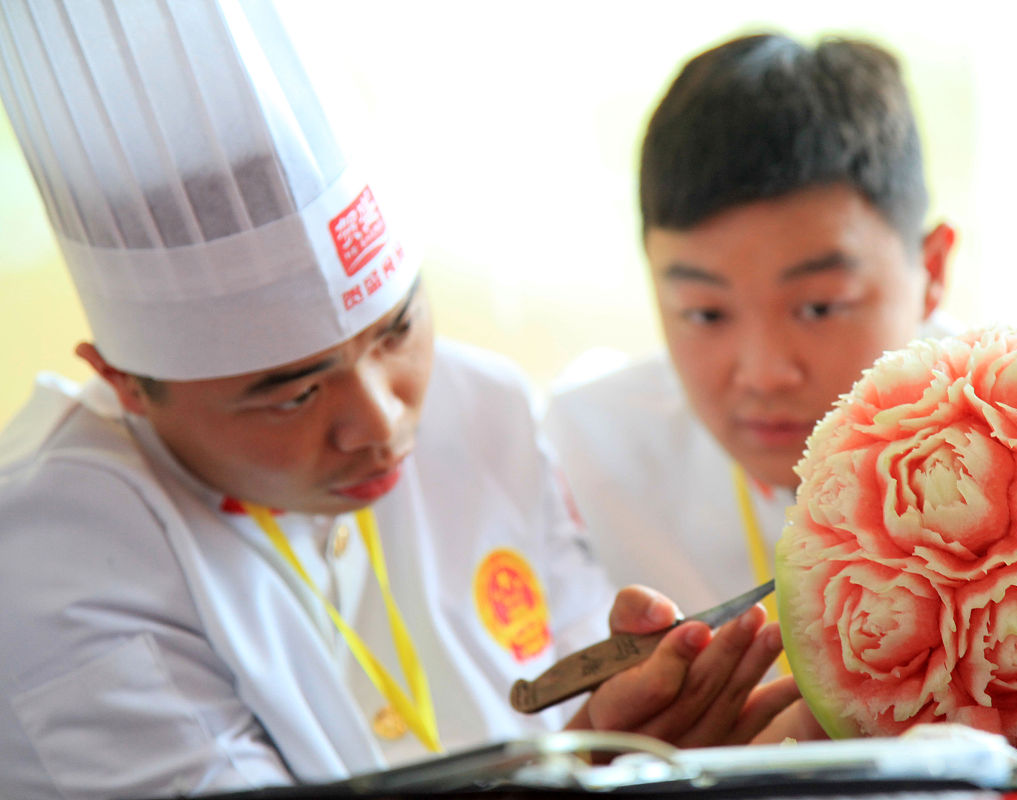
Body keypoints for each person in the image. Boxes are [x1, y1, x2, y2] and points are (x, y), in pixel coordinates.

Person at [0, 5, 802, 799]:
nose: (382, 422)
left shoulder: (483, 407)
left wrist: (621, 741)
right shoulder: (55, 544)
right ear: (126, 385)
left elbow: (590, 703)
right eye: (295, 393)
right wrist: (584, 776)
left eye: (397, 331)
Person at [543, 33, 958, 617]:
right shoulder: (585, 457)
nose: (764, 375)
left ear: (932, 271)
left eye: (819, 307)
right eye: (705, 313)